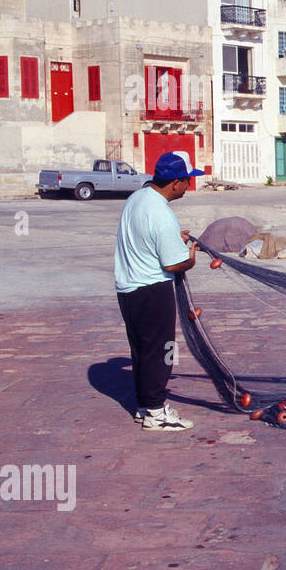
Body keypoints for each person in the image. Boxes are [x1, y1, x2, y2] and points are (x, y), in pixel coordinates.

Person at [115, 151, 203, 431]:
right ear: (175, 182)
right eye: (187, 180)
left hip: (128, 289)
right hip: (153, 290)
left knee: (141, 349)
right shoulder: (163, 214)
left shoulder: (138, 198)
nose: (189, 186)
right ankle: (155, 412)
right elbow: (174, 263)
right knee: (161, 349)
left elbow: (145, 238)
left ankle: (144, 406)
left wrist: (172, 239)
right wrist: (190, 257)